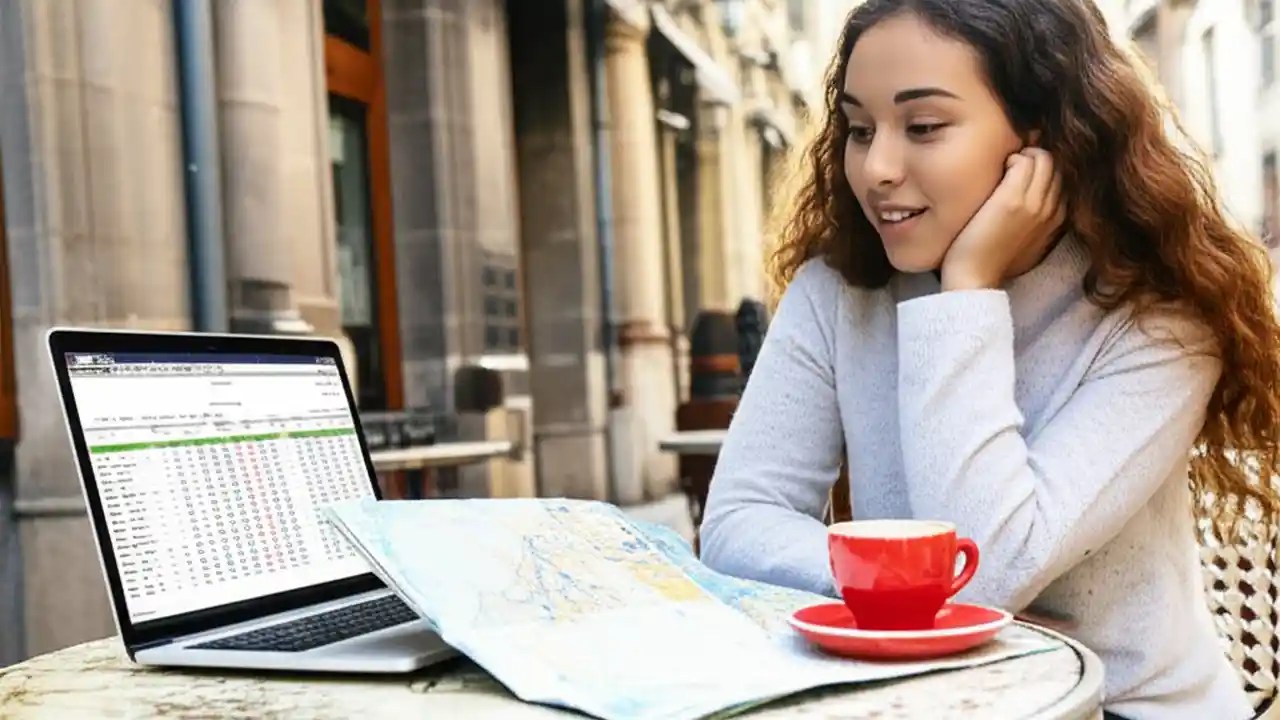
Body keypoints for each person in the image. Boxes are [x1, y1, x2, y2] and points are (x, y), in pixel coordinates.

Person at [696, 1, 1280, 718]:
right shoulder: (837, 292)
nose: (876, 167)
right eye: (858, 128)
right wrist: (911, 595)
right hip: (921, 699)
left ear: (1043, 134)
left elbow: (986, 575)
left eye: (924, 127)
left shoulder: (1160, 323)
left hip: (1125, 708)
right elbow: (737, 522)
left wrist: (966, 288)